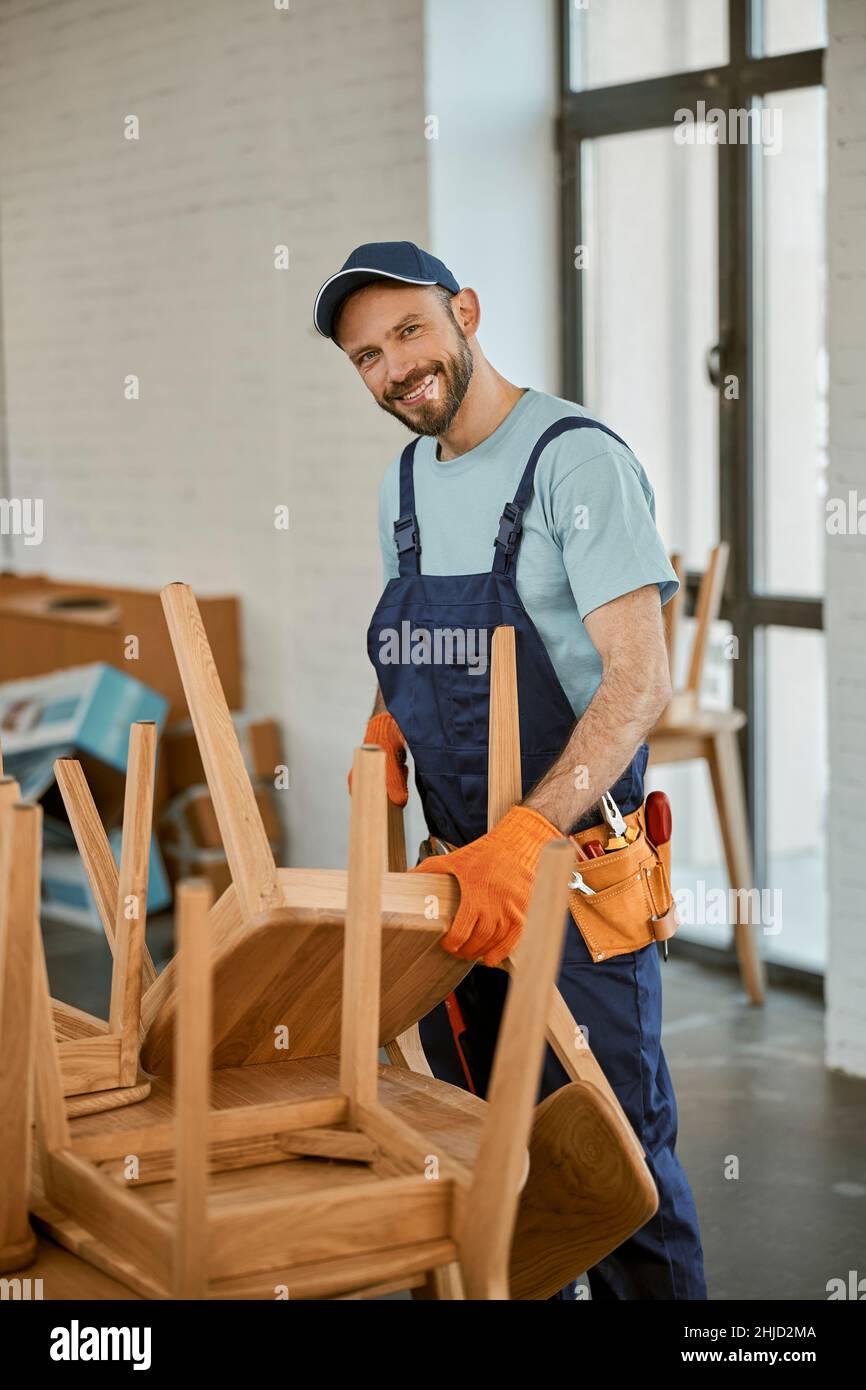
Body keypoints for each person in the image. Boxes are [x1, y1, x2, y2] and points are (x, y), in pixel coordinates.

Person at [314, 241, 708, 1300]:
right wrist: (380, 731)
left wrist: (527, 833)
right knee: (493, 1156)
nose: (394, 367)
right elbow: (413, 653)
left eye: (407, 331)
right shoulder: (401, 478)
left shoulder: (573, 459)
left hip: (572, 881)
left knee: (617, 1168)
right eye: (365, 356)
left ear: (465, 312)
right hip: (461, 893)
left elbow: (637, 681)